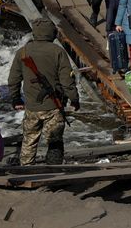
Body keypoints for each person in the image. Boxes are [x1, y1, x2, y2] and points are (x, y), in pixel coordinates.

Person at [6, 19, 78, 166]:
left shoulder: (23, 51)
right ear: (52, 33)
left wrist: (16, 99)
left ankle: (26, 170)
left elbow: (13, 79)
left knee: (29, 141)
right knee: (55, 142)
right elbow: (67, 81)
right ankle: (54, 170)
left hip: (31, 107)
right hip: (54, 106)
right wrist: (74, 99)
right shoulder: (58, 52)